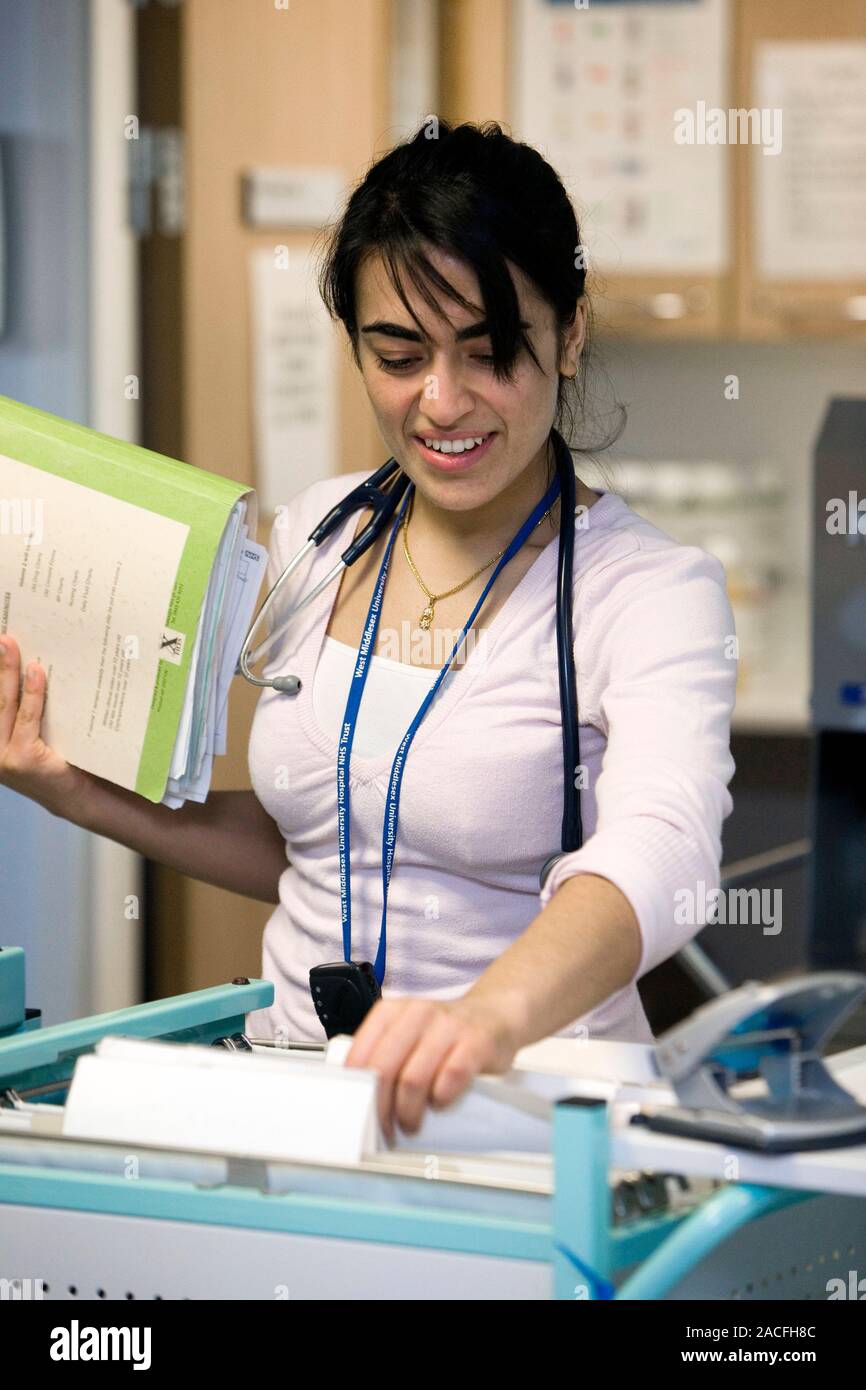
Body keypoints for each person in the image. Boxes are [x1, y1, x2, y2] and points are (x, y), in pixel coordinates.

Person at [0, 120, 736, 1143]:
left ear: (567, 334)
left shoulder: (648, 592)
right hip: (301, 1091)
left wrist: (482, 1018)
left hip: (526, 1111)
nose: (440, 399)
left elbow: (660, 855)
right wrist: (62, 784)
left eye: (488, 351)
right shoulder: (320, 532)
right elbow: (314, 848)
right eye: (398, 353)